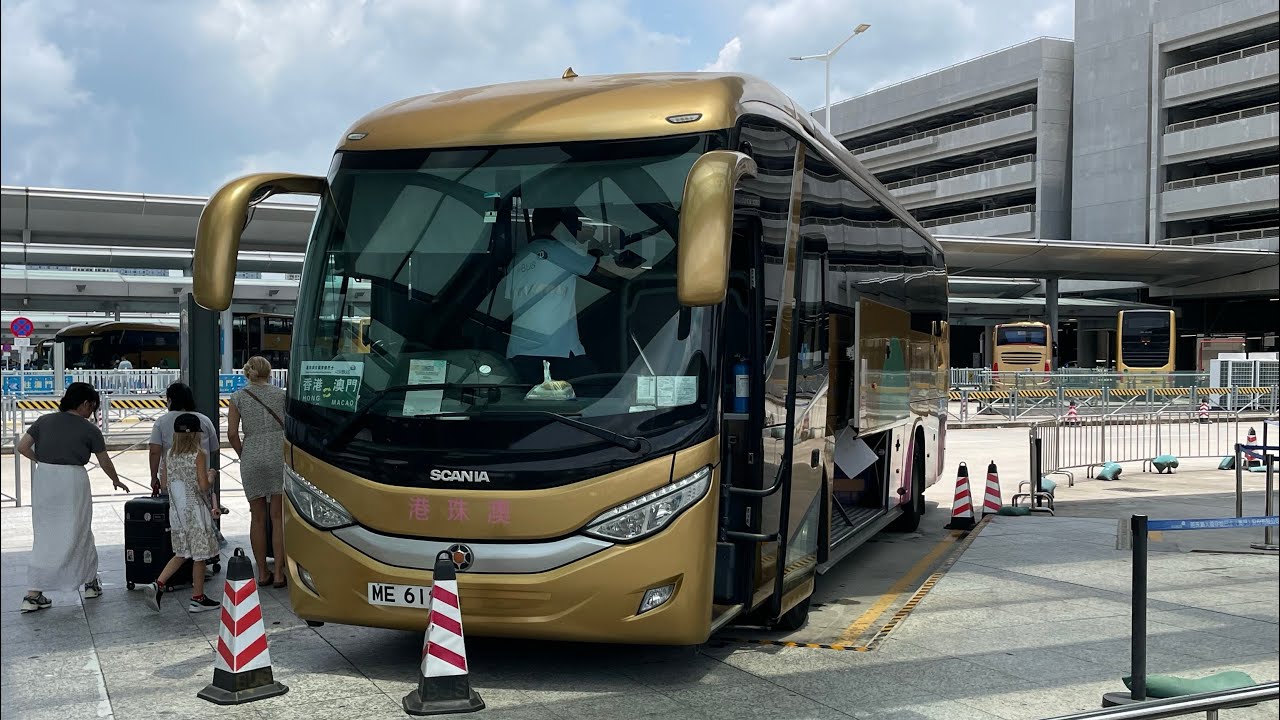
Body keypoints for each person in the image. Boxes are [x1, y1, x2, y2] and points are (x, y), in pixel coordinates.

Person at [16, 382, 129, 612]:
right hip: (73, 480)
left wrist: (42, 461)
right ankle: (90, 583)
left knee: (45, 532)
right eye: (93, 407)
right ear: (85, 403)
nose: (92, 413)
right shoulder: (89, 429)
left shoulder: (43, 421)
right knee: (79, 530)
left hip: (45, 480)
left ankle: (33, 593)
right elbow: (104, 460)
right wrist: (116, 480)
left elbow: (22, 447)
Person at [505, 208, 624, 383]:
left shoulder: (515, 260)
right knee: (597, 389)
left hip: (519, 350)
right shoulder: (560, 250)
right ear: (559, 226)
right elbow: (610, 274)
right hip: (558, 350)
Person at [140, 413, 221, 612]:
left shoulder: (169, 456)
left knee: (181, 553)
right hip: (195, 512)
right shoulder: (198, 454)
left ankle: (157, 584)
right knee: (200, 556)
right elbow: (203, 486)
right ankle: (198, 598)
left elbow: (164, 484)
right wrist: (211, 475)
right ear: (195, 435)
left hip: (177, 514)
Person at [228, 356, 287, 587]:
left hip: (251, 454)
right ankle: (279, 573)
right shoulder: (281, 395)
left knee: (258, 517)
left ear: (247, 372)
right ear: (269, 373)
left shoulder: (238, 397)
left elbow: (232, 434)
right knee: (277, 516)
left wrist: (244, 453)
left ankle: (262, 572)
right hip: (277, 455)